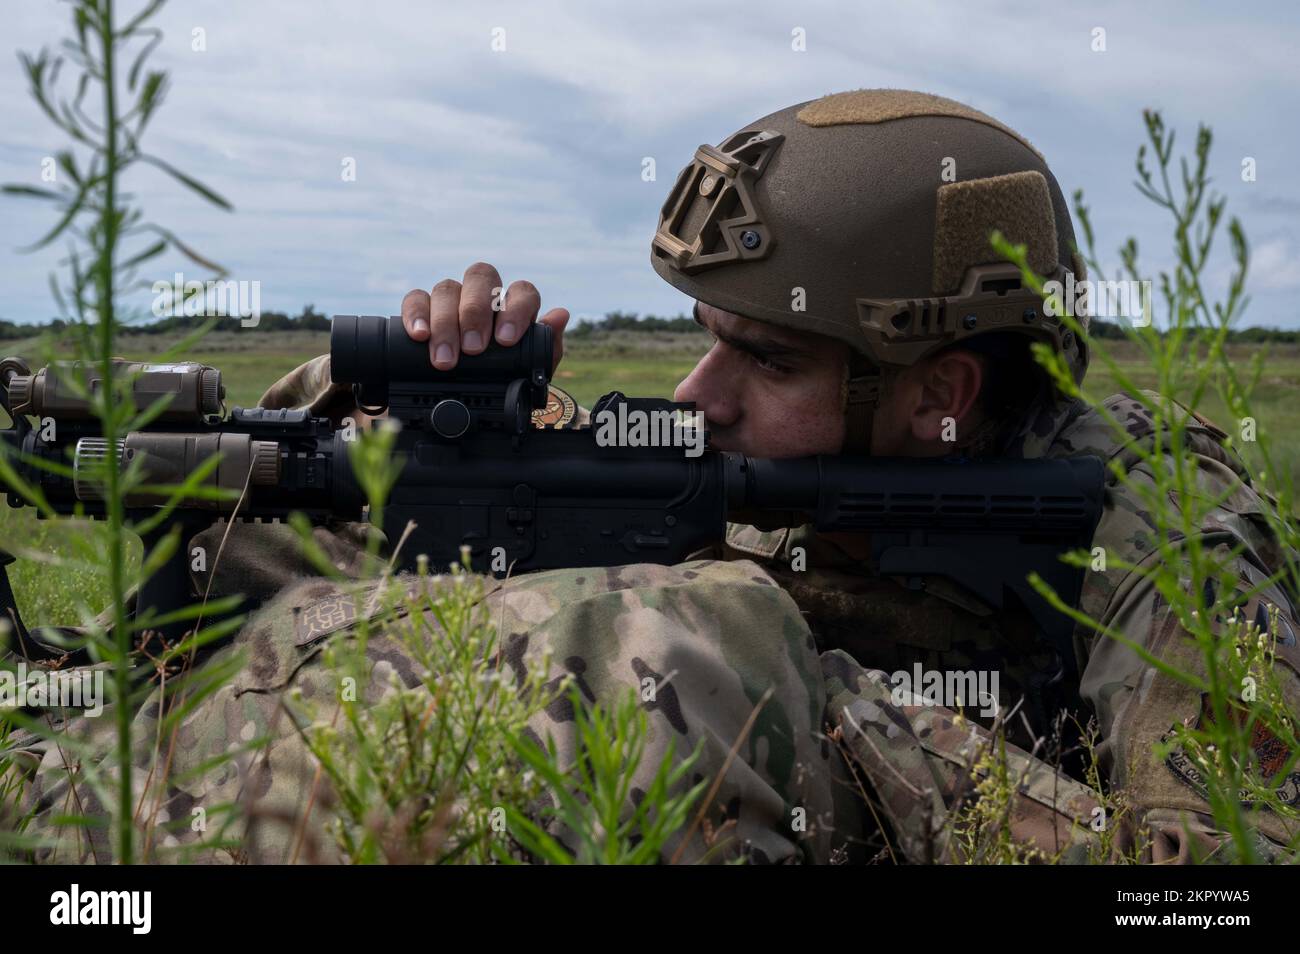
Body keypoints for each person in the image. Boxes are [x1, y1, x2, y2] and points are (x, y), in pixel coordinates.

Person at [12, 89, 1299, 864]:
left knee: (691, 648)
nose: (696, 395)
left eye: (768, 359)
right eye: (703, 336)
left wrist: (828, 717)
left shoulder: (1160, 535)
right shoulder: (741, 460)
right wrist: (415, 421)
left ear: (939, 397)